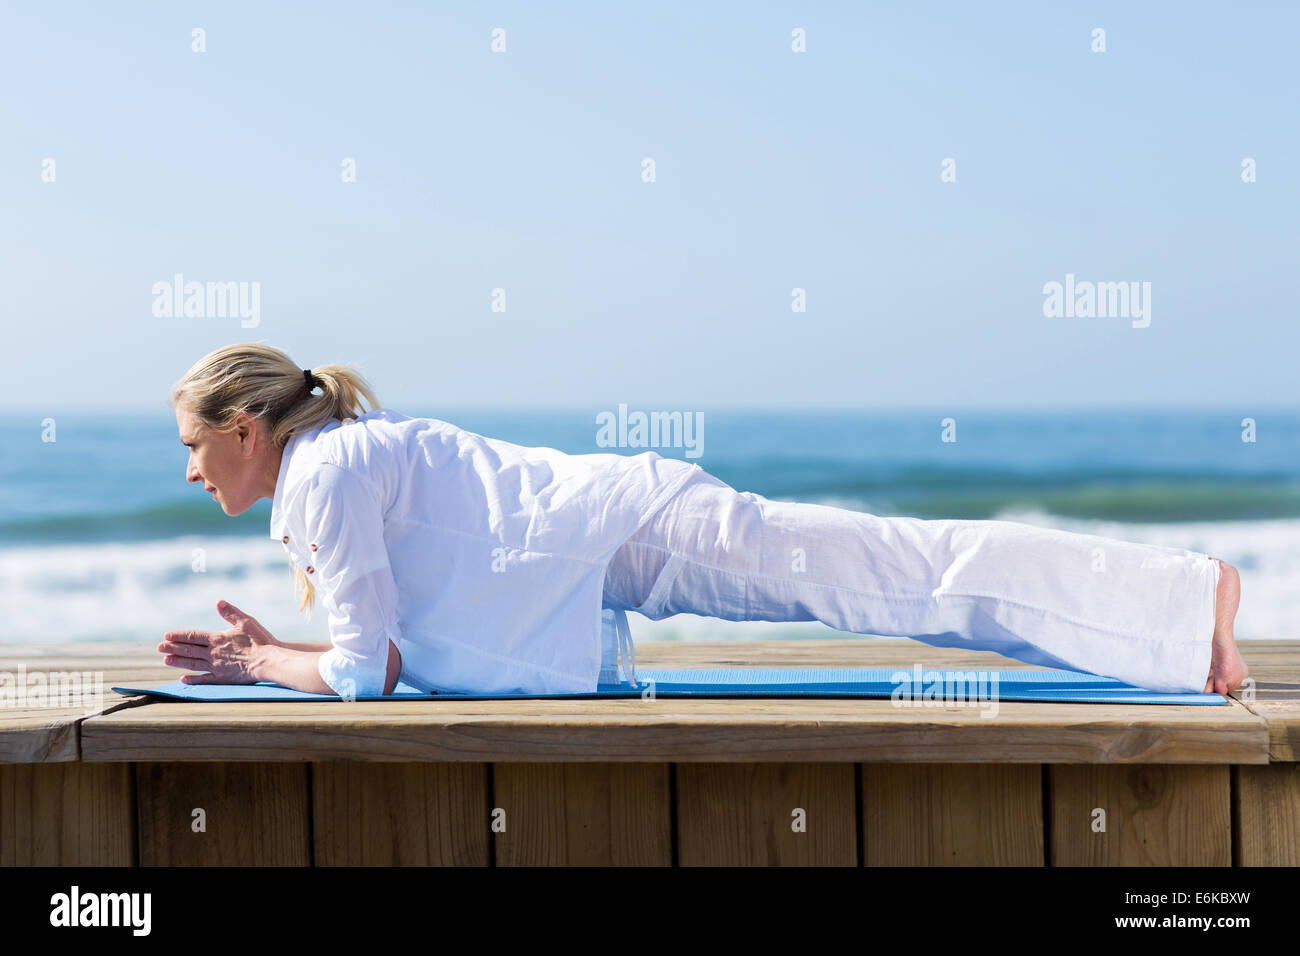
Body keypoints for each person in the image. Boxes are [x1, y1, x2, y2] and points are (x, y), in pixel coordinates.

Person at [161, 343, 1248, 698]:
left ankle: (1184, 609)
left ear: (247, 425)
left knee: (901, 574)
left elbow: (366, 667)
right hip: (621, 537)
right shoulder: (337, 461)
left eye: (194, 443)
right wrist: (278, 650)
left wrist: (263, 662)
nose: (191, 469)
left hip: (631, 530)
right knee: (898, 573)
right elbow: (377, 651)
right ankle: (1175, 619)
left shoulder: (325, 472)